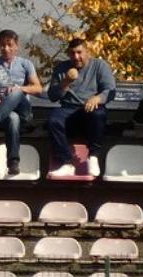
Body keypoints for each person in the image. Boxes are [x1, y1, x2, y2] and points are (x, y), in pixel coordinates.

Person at [46, 37, 116, 178]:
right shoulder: (61, 68)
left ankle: (93, 156)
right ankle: (66, 163)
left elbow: (110, 90)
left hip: (90, 108)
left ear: (87, 52)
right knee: (53, 120)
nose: (76, 57)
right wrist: (65, 82)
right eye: (72, 53)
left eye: (79, 52)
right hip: (68, 109)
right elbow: (52, 96)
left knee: (99, 114)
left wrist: (97, 98)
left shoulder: (99, 66)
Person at [0, 30, 42, 178]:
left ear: (16, 46)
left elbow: (38, 89)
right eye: (2, 45)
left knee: (17, 92)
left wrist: (20, 89)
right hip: (7, 115)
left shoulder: (26, 64)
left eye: (9, 45)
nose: (6, 49)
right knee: (13, 119)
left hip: (24, 112)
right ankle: (13, 163)